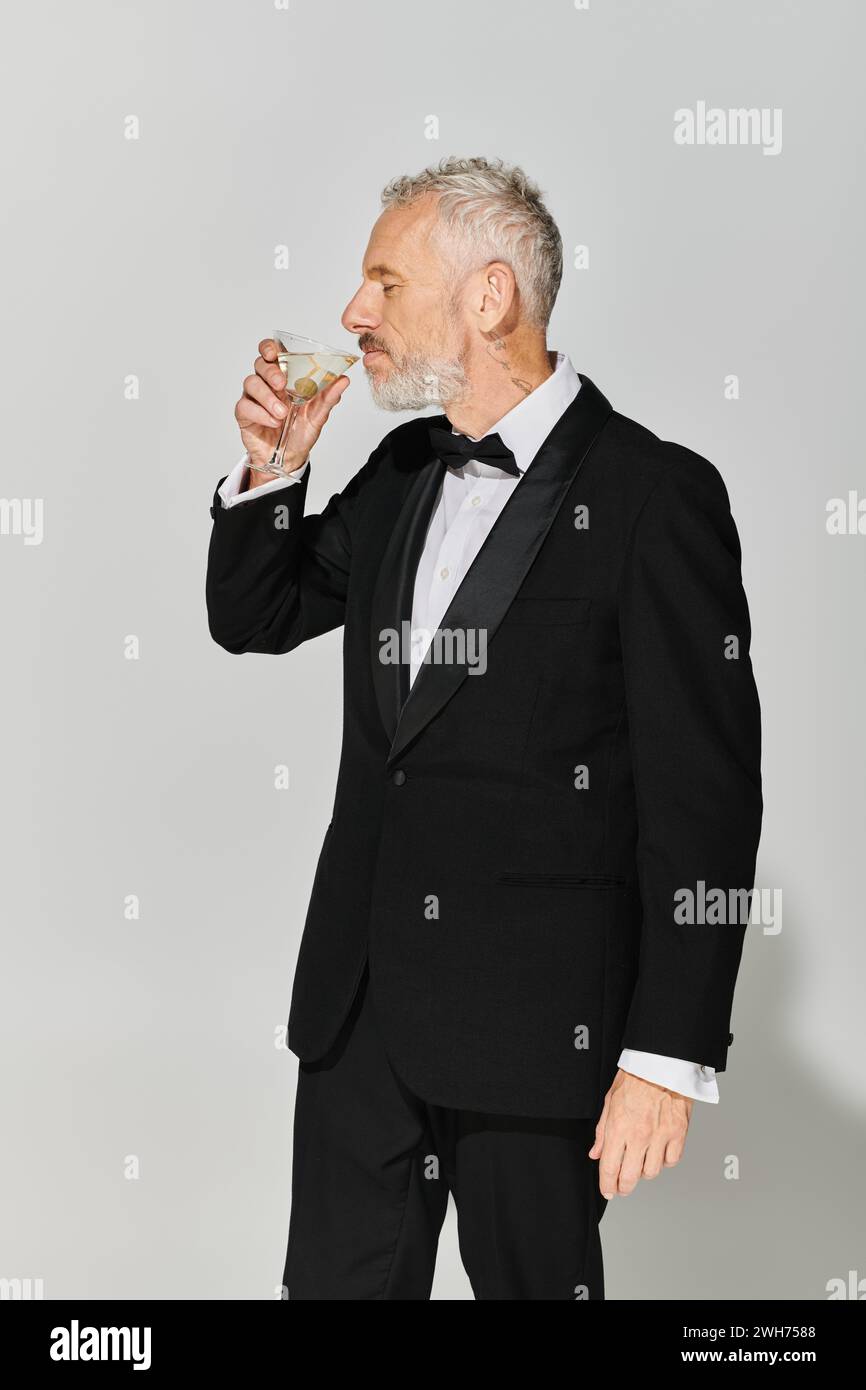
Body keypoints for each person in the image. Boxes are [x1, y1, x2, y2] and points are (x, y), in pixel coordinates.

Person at [205, 156, 763, 1300]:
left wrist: (664, 1055)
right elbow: (253, 617)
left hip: (539, 1028)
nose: (352, 312)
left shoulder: (657, 496)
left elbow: (702, 800)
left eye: (382, 282)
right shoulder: (407, 466)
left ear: (488, 297)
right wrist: (275, 470)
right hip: (358, 1015)